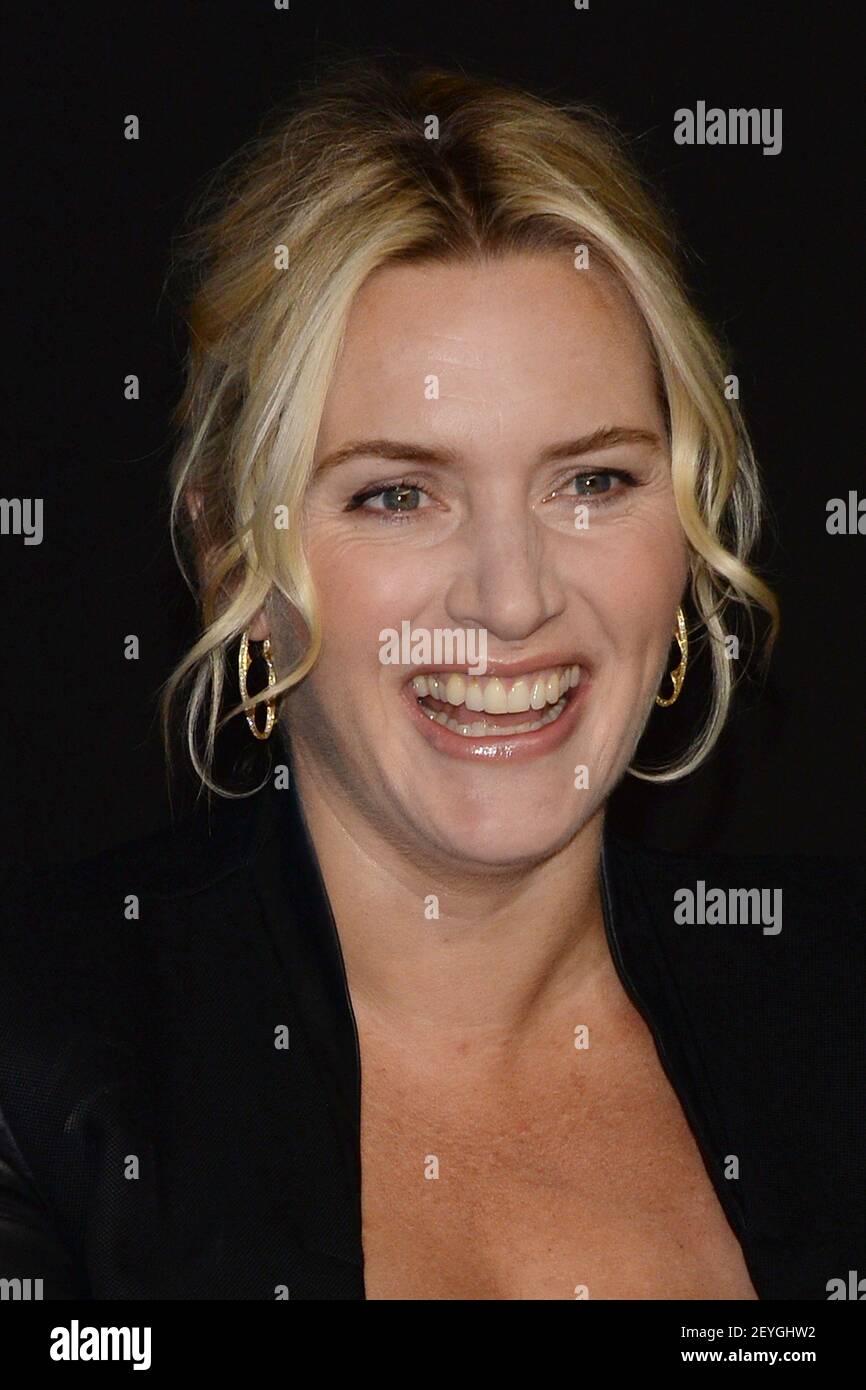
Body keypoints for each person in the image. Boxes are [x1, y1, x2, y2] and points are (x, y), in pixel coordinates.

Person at [1, 61, 863, 1301]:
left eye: (593, 480)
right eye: (396, 494)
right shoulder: (39, 1068)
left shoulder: (835, 1005)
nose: (509, 598)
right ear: (231, 551)